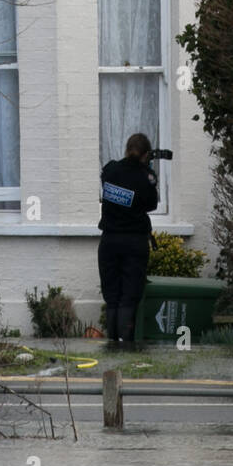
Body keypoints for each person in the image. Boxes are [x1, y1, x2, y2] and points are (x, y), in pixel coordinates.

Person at [98, 132, 159, 346]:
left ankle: (112, 343)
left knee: (112, 295)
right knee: (129, 296)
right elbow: (152, 204)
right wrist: (147, 170)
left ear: (127, 149)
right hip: (134, 242)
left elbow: (105, 179)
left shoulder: (111, 170)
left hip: (109, 242)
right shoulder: (145, 177)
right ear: (145, 155)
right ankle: (126, 343)